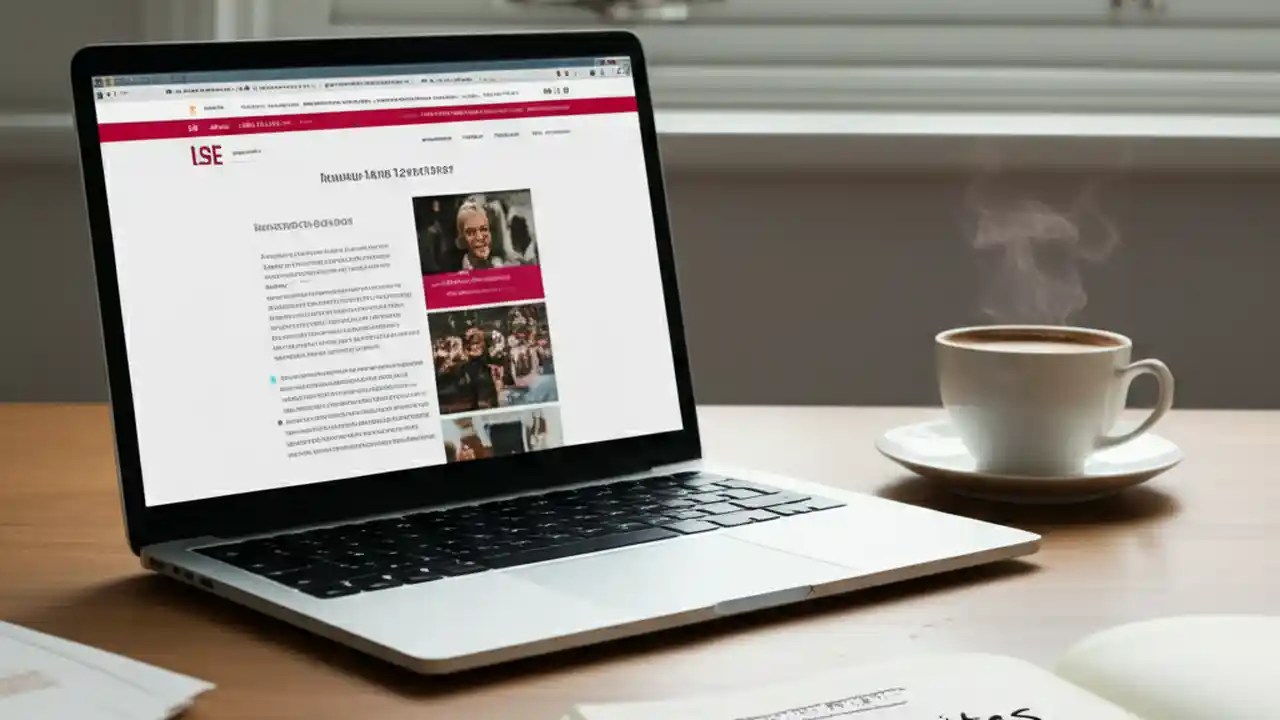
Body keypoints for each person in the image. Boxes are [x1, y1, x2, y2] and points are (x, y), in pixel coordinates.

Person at [456, 200, 506, 271]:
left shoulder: (500, 266)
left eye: (484, 229)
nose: (480, 237)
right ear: (462, 239)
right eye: (471, 232)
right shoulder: (462, 275)